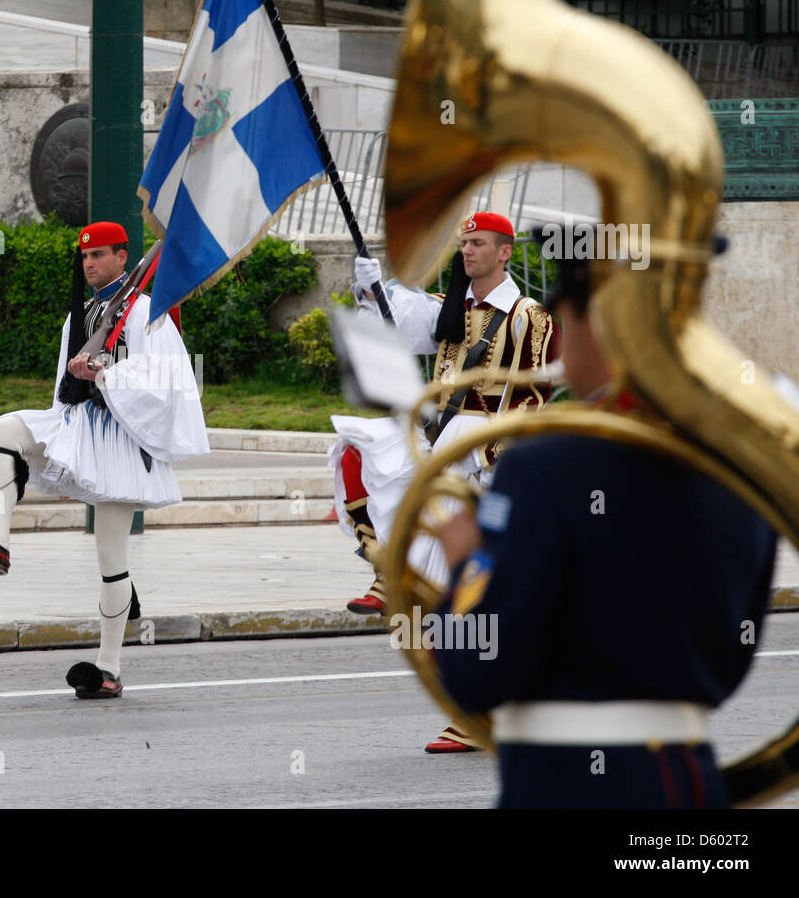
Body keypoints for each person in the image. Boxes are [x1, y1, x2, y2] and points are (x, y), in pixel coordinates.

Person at [429, 247, 777, 807]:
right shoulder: (744, 468)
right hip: (691, 787)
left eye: (565, 321)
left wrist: (465, 566)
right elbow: (730, 662)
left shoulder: (546, 466)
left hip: (566, 786)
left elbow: (476, 671)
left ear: (591, 322)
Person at [0, 221, 209, 698]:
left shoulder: (148, 313)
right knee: (6, 428)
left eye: (100, 255)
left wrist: (106, 375)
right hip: (82, 425)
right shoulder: (79, 315)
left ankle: (108, 668)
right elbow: (65, 390)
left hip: (125, 441)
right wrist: (64, 428)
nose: (89, 264)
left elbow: (166, 383)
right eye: (85, 257)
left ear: (124, 258)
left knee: (112, 559)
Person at [329, 211, 559, 752]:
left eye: (479, 244)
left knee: (470, 596)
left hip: (484, 457)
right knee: (355, 451)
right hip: (437, 441)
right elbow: (396, 320)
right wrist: (371, 285)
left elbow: (536, 396)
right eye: (465, 244)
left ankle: (481, 712)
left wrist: (487, 452)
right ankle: (385, 564)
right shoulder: (452, 308)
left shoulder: (529, 316)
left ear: (505, 252)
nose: (468, 251)